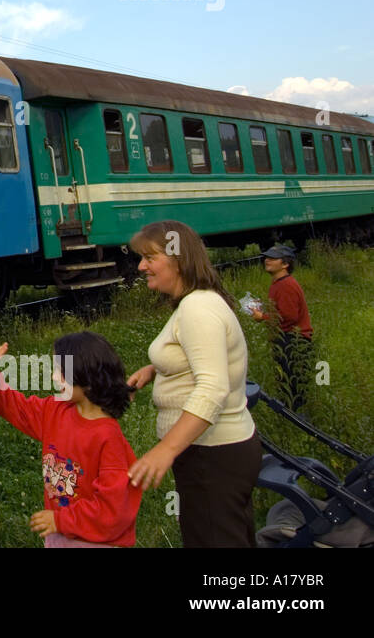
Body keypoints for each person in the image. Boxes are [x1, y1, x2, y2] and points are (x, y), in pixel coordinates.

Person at [125, 220, 261, 548]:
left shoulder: (198, 309)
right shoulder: (200, 302)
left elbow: (212, 388)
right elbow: (200, 355)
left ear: (178, 260)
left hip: (211, 455)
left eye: (150, 258)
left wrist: (165, 450)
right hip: (213, 453)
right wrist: (155, 368)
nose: (142, 266)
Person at [0, 333, 143, 547]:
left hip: (96, 541)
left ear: (88, 378)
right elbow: (16, 408)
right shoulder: (55, 411)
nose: (54, 377)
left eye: (62, 372)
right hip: (60, 534)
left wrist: (60, 520)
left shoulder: (108, 438)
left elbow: (113, 510)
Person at [249, 244, 313, 411]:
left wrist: (262, 317)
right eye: (266, 257)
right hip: (287, 339)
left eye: (272, 258)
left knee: (294, 385)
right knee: (287, 383)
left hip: (293, 341)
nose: (267, 260)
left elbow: (289, 317)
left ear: (285, 264)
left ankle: (298, 420)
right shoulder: (279, 283)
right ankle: (293, 416)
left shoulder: (286, 285)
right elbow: (282, 310)